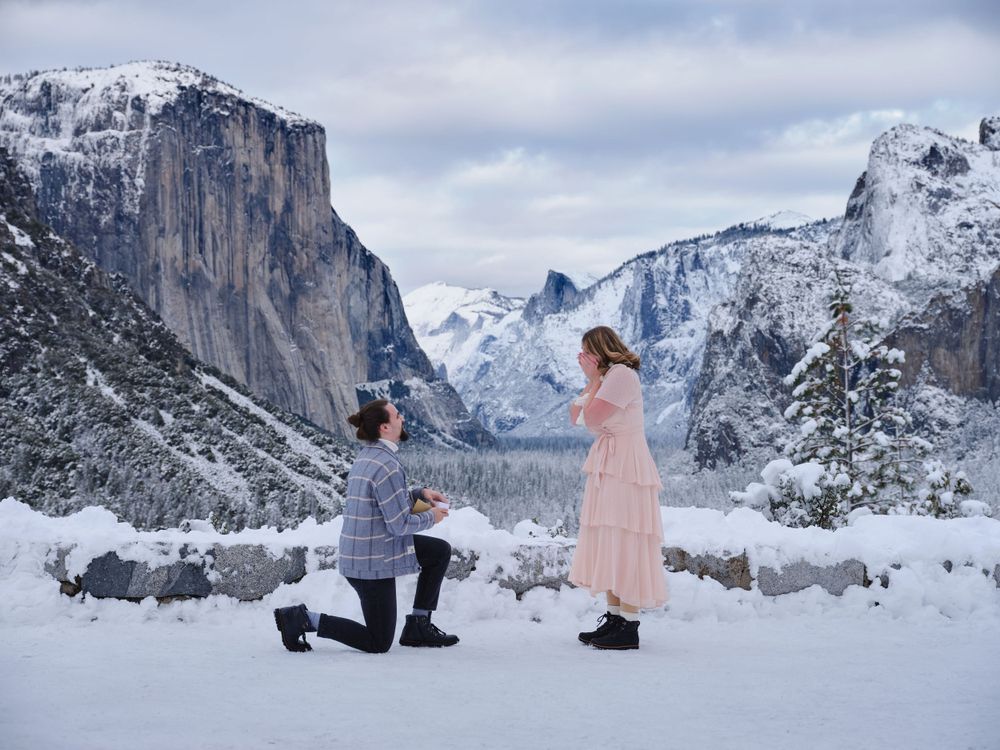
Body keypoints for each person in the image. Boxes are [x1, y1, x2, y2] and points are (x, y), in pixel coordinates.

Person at [273, 399, 459, 653]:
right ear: (384, 427)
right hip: (371, 561)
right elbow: (399, 523)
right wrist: (432, 517)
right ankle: (303, 620)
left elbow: (387, 506)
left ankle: (418, 624)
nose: (402, 418)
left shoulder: (370, 456)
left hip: (366, 550)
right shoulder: (387, 465)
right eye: (397, 415)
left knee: (438, 552)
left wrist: (420, 495)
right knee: (378, 641)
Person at [568, 326, 667, 650]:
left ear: (600, 350)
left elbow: (592, 417)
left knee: (625, 538)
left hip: (625, 466)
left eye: (586, 352)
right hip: (609, 463)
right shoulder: (609, 377)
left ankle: (629, 622)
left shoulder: (622, 375)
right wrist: (594, 379)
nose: (582, 359)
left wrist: (594, 379)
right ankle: (615, 616)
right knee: (609, 538)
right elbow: (575, 416)